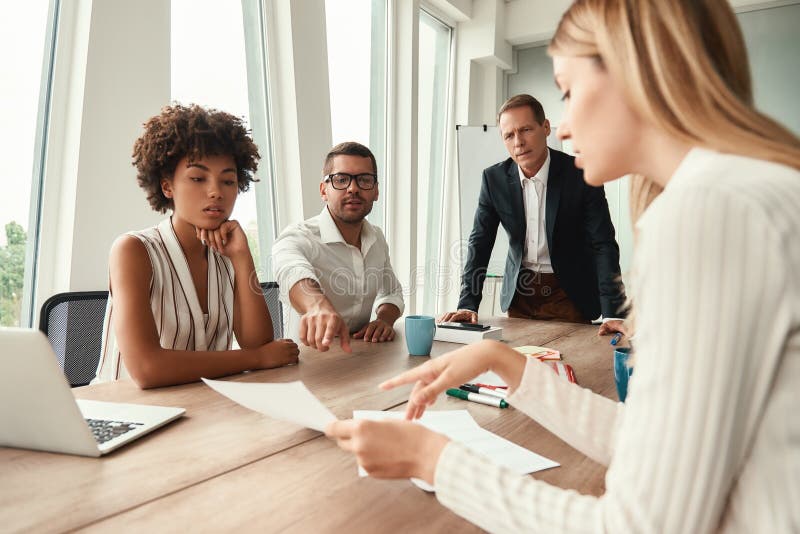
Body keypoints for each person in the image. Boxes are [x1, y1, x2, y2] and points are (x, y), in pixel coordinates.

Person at [326, 0, 800, 531]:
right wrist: (506, 363)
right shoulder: (746, 190)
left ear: (637, 70)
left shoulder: (708, 212)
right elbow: (656, 446)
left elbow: (643, 525)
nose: (566, 127)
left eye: (570, 91)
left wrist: (432, 461)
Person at [94, 104, 299, 388]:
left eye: (228, 180)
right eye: (198, 178)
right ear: (167, 187)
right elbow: (147, 368)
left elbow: (258, 341)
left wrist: (242, 257)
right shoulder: (134, 250)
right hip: (127, 413)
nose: (216, 191)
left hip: (200, 408)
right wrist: (255, 359)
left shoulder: (227, 252)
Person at [439, 94, 627, 336]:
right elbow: (480, 243)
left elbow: (603, 244)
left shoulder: (580, 175)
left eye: (525, 129)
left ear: (545, 127)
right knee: (520, 365)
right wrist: (467, 303)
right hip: (521, 295)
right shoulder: (494, 179)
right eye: (509, 135)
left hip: (569, 294)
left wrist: (613, 310)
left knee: (570, 367)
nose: (518, 142)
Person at [272, 142, 404, 353]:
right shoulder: (298, 236)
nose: (353, 188)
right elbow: (291, 271)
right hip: (309, 361)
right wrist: (316, 305)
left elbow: (392, 292)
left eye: (364, 180)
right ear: (324, 190)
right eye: (341, 180)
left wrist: (384, 320)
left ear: (376, 191)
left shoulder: (376, 238)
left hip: (362, 357)